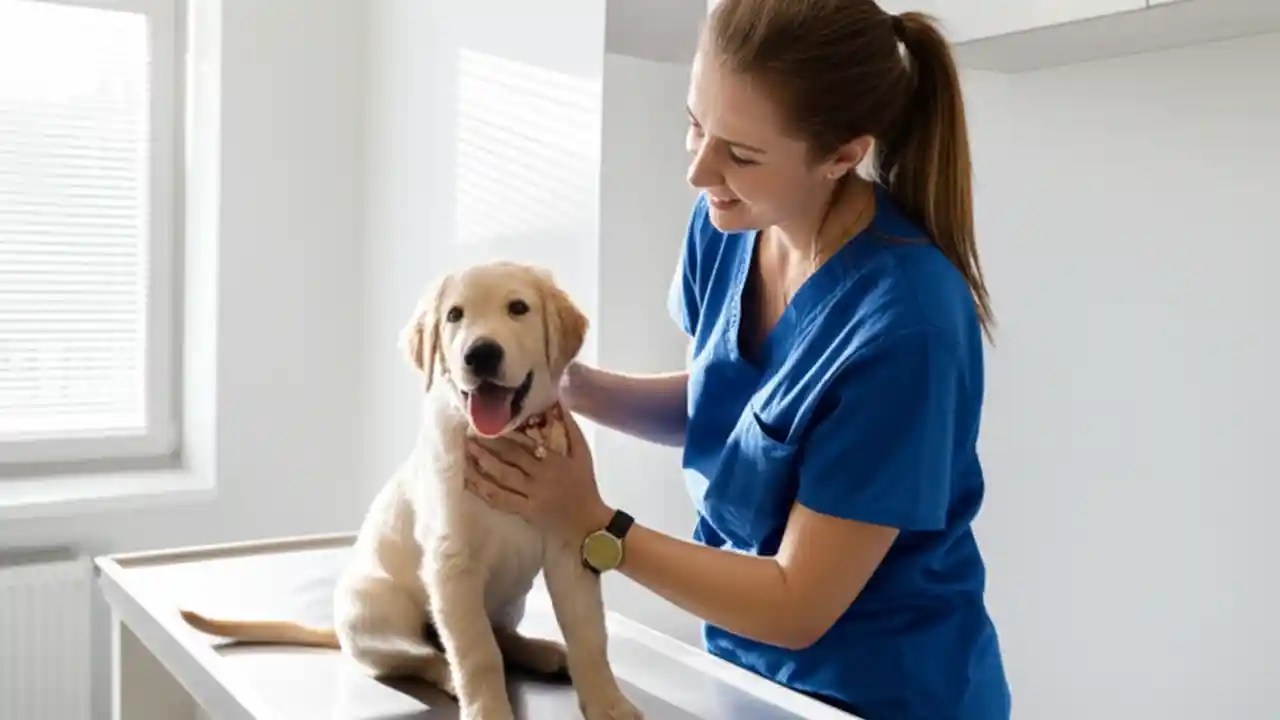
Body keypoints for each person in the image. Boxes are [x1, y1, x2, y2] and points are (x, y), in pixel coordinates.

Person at [463, 0, 1012, 717]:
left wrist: (591, 523)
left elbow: (797, 604)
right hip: (747, 675)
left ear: (843, 156)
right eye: (695, 124)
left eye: (741, 153)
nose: (698, 170)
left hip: (887, 694)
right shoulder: (731, 220)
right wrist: (564, 386)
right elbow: (727, 405)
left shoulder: (909, 327)